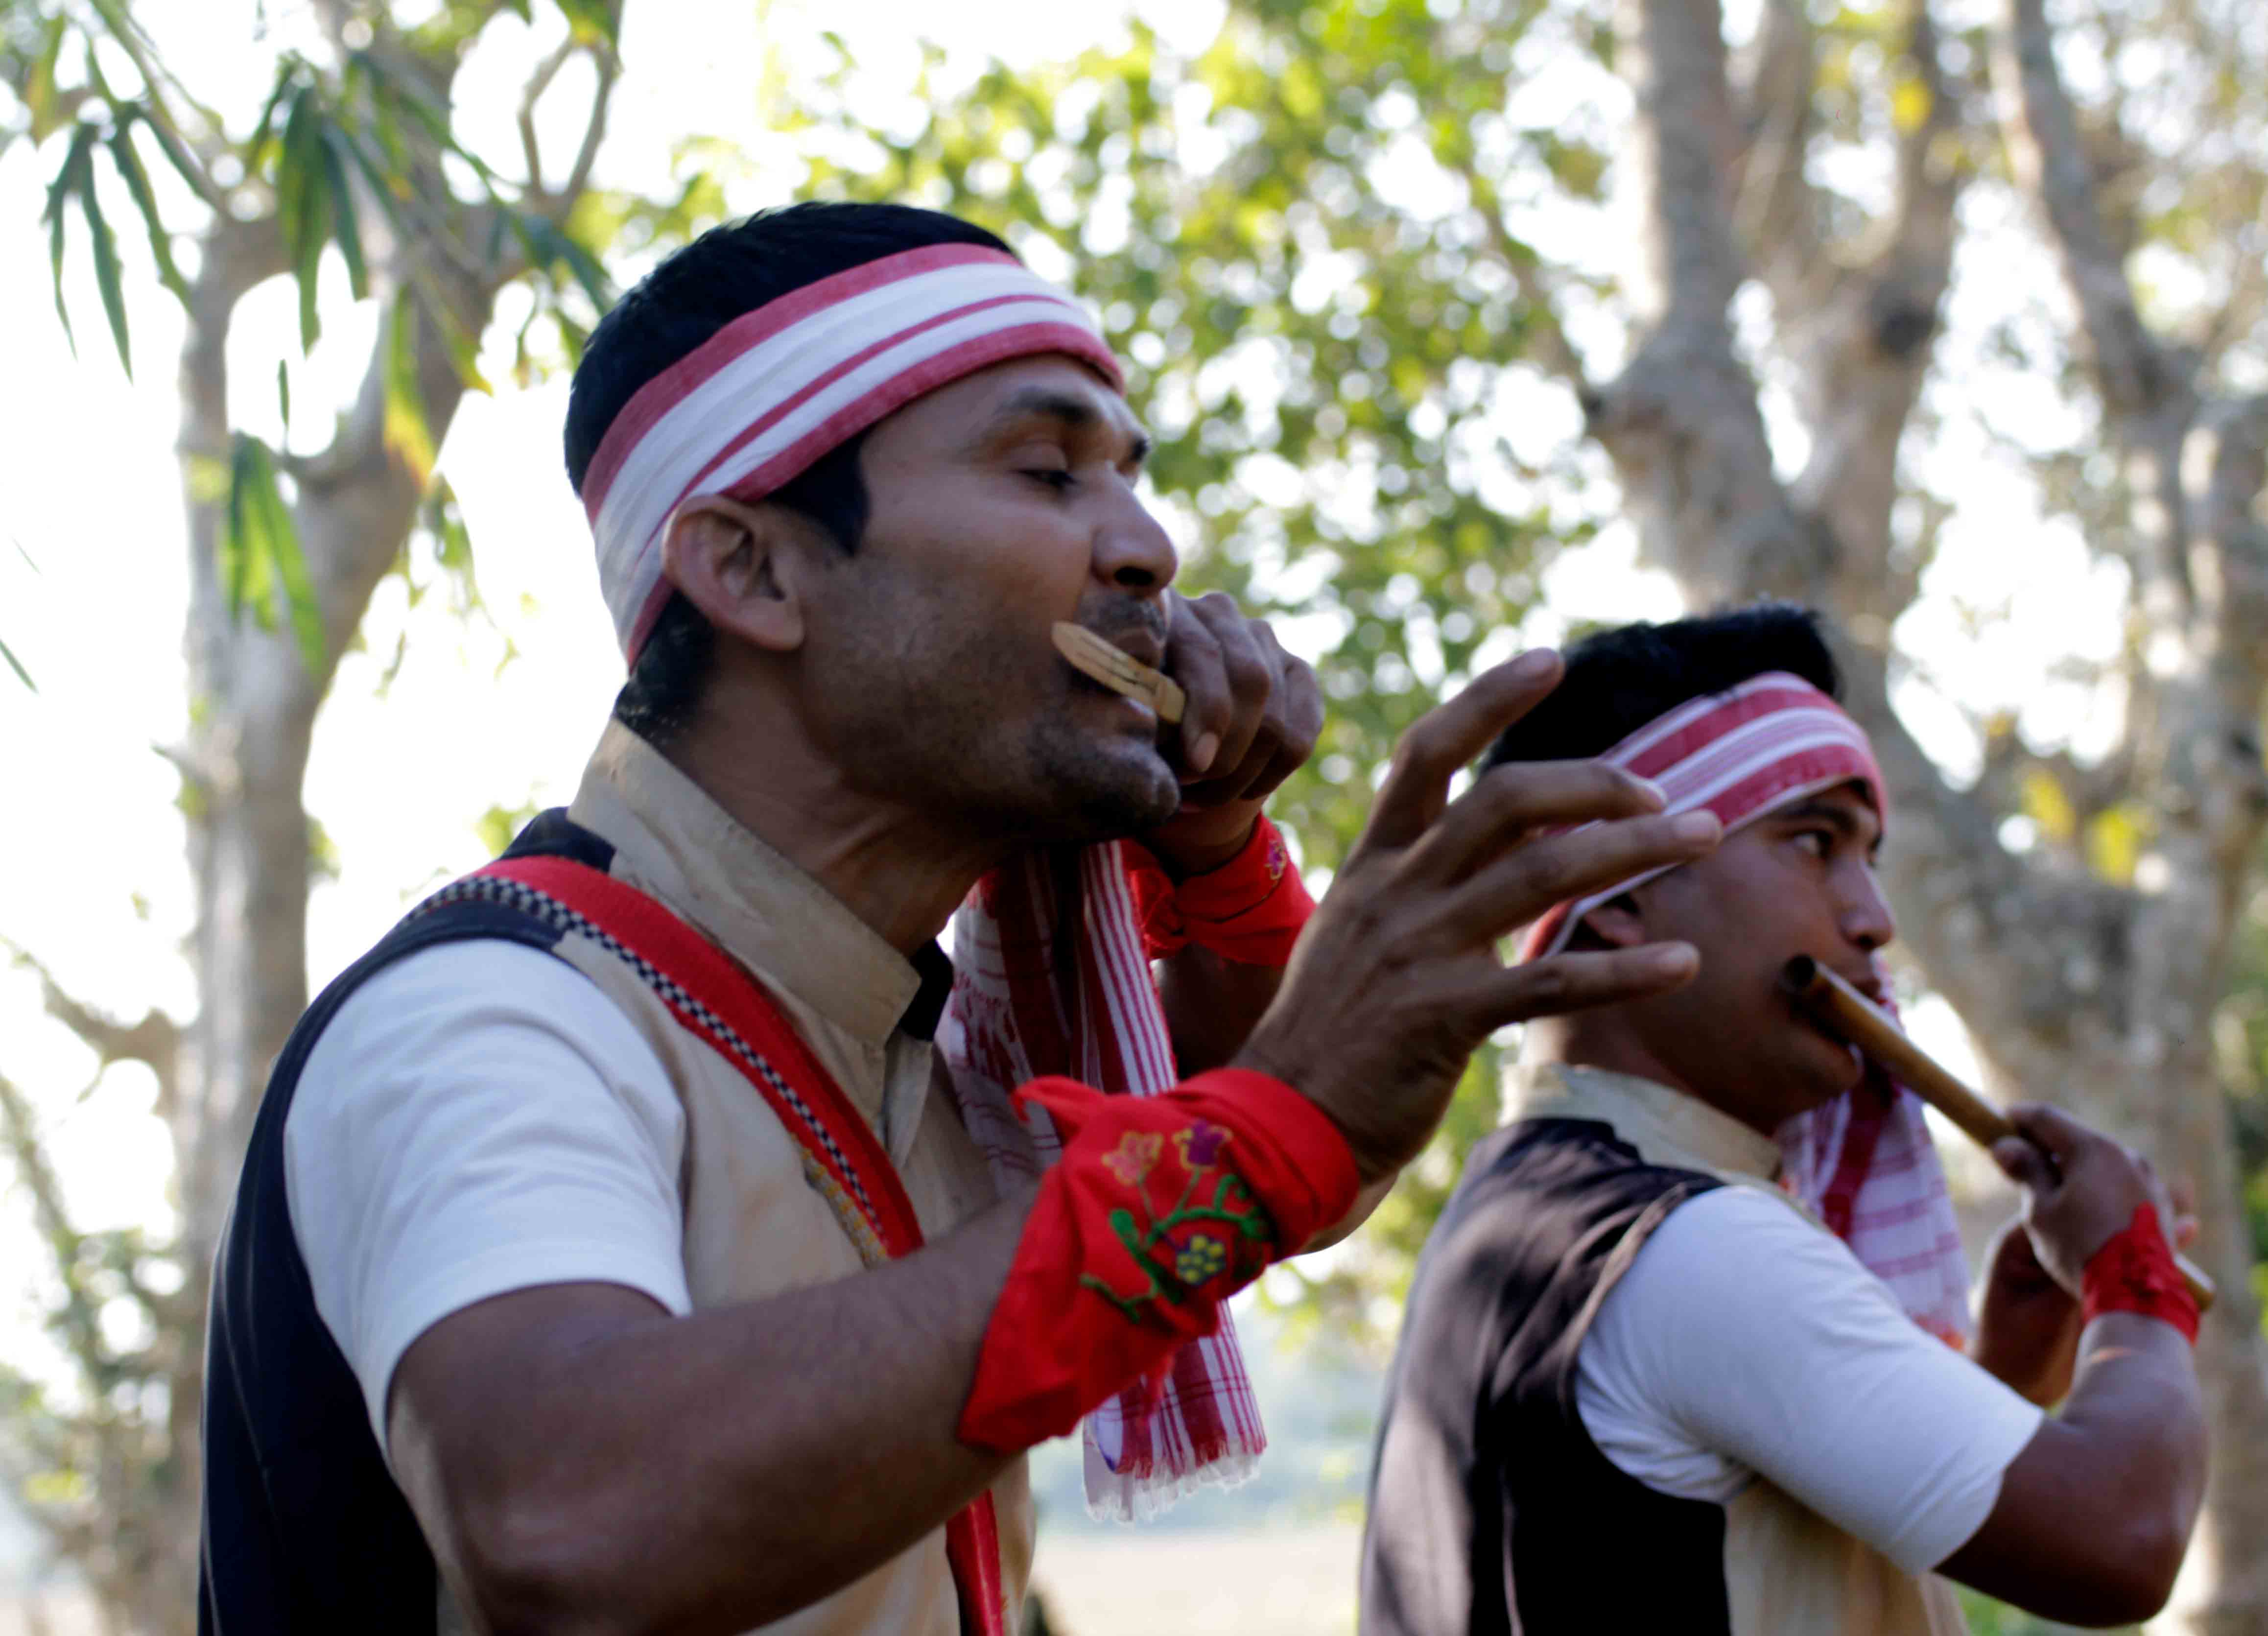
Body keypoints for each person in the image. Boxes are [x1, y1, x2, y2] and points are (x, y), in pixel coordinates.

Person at [197, 201, 1726, 1636]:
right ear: (749, 566)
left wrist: (1214, 852)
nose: (1145, 547)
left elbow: (1282, 1178)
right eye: (1049, 473)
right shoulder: (499, 1015)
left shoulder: (904, 1040)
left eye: (1130, 475)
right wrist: (1260, 1130)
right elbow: (569, 1512)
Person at [1360, 605, 2210, 1635]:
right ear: (1615, 893)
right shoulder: (1686, 1245)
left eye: (1869, 858)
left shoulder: (1534, 1210)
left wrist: (2002, 1376)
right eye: (1812, 844)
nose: (1872, 919)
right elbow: (2120, 1544)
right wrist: (2137, 1277)